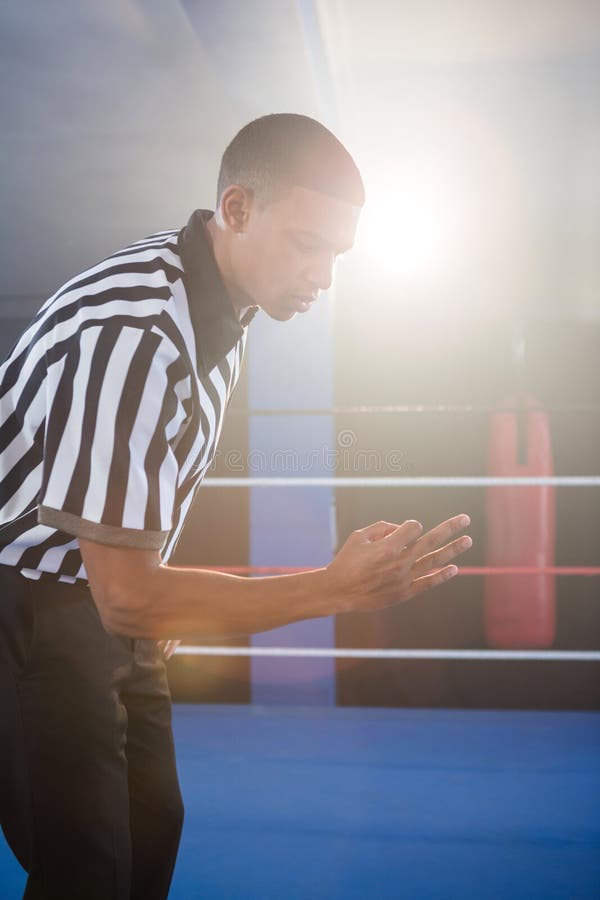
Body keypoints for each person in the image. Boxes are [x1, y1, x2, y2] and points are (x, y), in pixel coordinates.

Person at [0, 113, 472, 899]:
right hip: (21, 600)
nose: (323, 276)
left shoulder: (223, 305)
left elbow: (129, 534)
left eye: (337, 255)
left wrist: (164, 604)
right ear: (238, 209)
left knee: (150, 830)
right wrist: (334, 588)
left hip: (89, 595)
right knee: (88, 866)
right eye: (307, 243)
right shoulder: (137, 330)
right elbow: (126, 592)